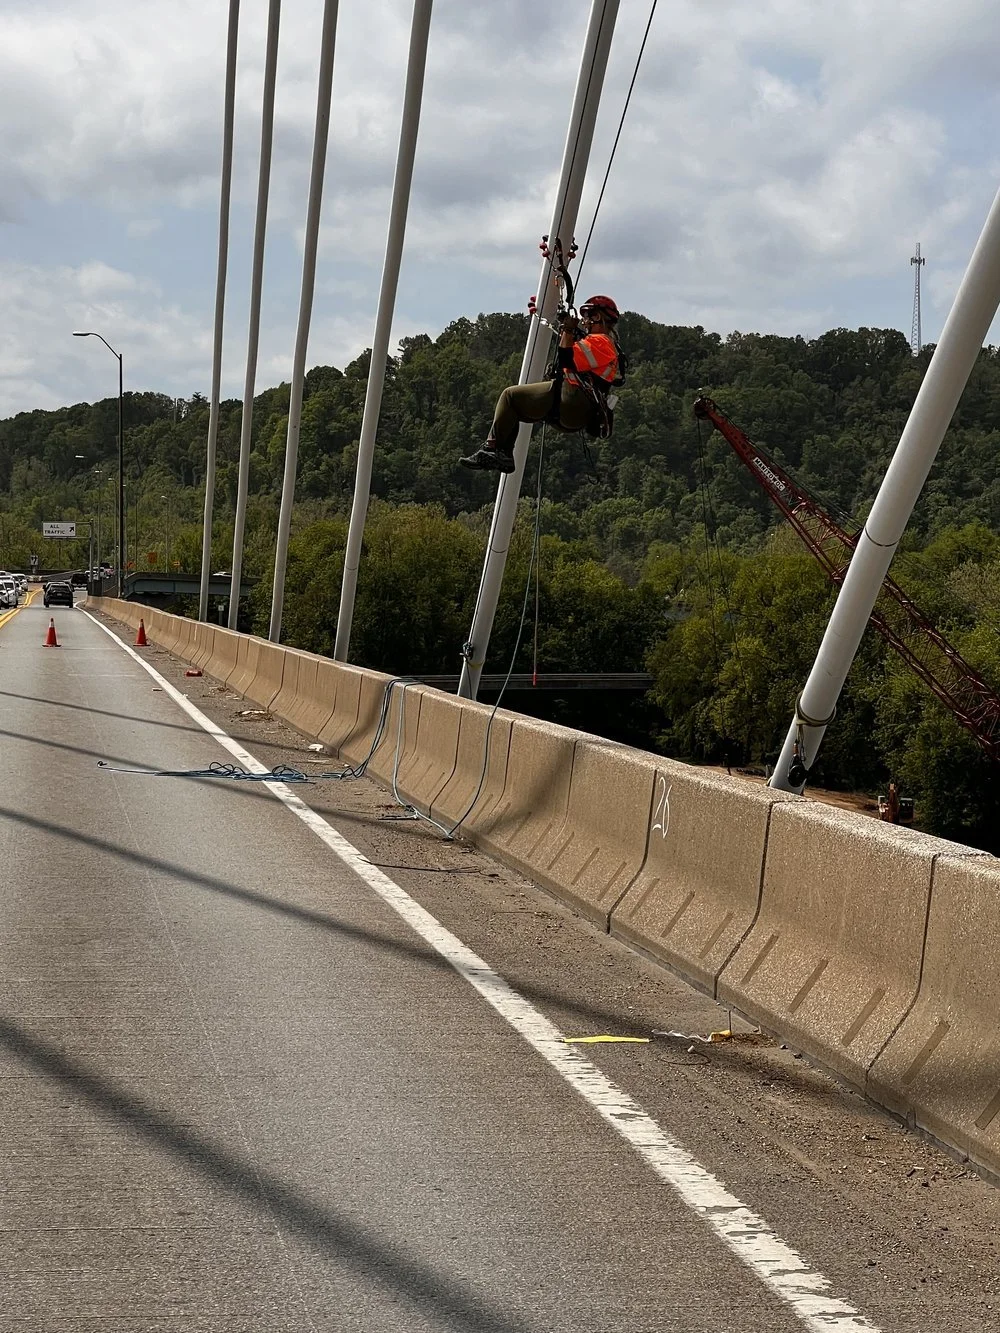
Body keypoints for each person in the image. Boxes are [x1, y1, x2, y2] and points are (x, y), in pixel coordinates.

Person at [460, 295, 621, 474]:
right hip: (575, 411)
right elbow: (572, 357)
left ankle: (493, 448)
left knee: (510, 396)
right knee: (517, 408)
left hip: (573, 400)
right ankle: (503, 453)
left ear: (597, 317)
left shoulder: (601, 342)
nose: (584, 321)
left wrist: (568, 329)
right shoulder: (601, 345)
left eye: (587, 315)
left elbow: (567, 358)